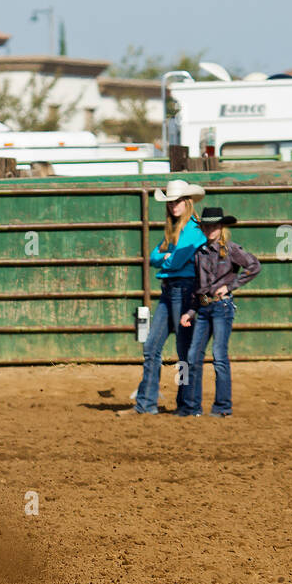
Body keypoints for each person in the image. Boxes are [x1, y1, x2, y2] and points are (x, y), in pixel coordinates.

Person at [120, 178, 206, 415]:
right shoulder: (177, 229)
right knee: (152, 347)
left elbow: (172, 259)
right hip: (170, 291)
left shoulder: (194, 229)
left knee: (182, 351)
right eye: (171, 202)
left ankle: (185, 403)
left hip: (184, 291)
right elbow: (154, 257)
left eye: (177, 201)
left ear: (187, 202)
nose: (173, 205)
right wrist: (167, 258)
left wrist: (166, 258)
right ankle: (148, 404)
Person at [177, 207, 261, 417]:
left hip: (222, 307)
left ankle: (222, 407)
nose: (210, 229)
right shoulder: (199, 254)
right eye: (207, 226)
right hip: (205, 308)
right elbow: (199, 287)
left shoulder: (231, 250)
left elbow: (254, 266)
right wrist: (190, 311)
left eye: (213, 225)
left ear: (221, 227)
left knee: (219, 356)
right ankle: (192, 406)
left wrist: (230, 286)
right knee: (192, 356)